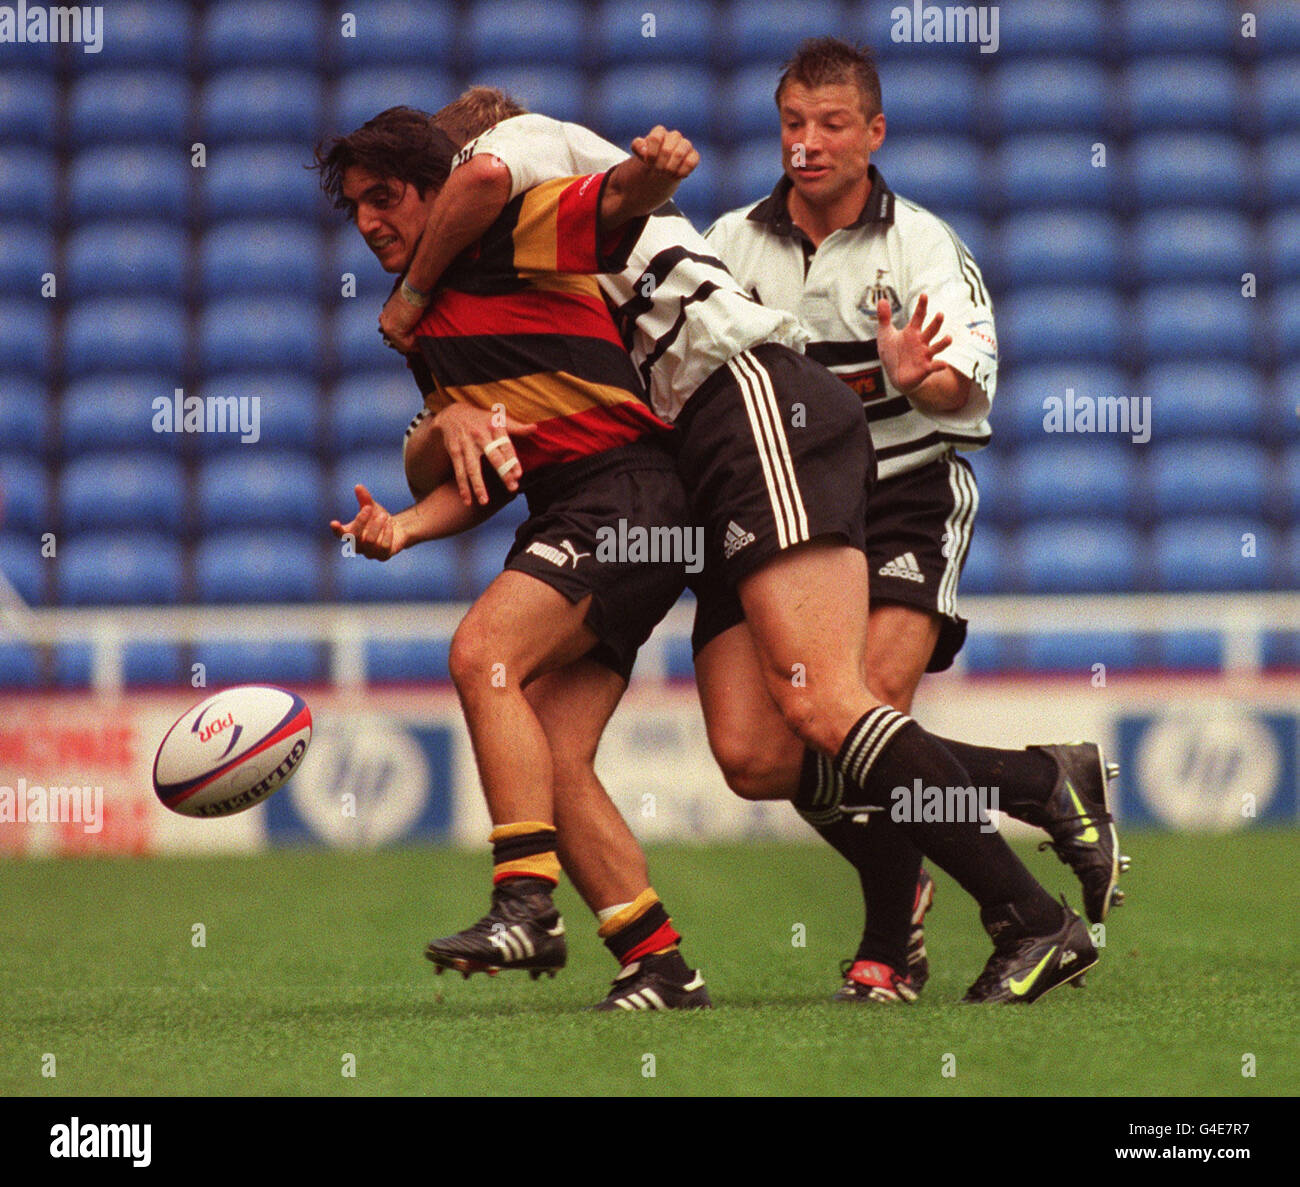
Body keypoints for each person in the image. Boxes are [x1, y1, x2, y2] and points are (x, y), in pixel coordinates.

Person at [380, 95, 1114, 1005]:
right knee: (756, 750)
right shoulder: (516, 266)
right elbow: (466, 425)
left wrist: (408, 297)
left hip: (747, 397)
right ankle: (1035, 778)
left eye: (409, 192)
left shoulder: (517, 169)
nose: (392, 218)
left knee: (829, 701)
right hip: (707, 454)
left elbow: (496, 176)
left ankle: (1031, 917)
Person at [702, 37, 1128, 1002]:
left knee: (857, 714)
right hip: (779, 508)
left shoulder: (921, 245)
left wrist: (914, 377)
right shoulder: (728, 243)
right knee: (761, 755)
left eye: (831, 124)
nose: (806, 143)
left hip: (902, 491)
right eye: (792, 123)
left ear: (874, 133)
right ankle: (1033, 783)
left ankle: (898, 945)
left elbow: (961, 382)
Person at [316, 108, 713, 1011]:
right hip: (582, 506)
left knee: (479, 655)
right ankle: (657, 960)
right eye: (356, 208)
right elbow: (489, 474)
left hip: (628, 494)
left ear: (436, 187)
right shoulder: (429, 339)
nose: (370, 220)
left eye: (386, 198)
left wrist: (655, 171)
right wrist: (407, 525)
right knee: (548, 749)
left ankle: (524, 902)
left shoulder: (506, 229)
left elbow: (611, 200)